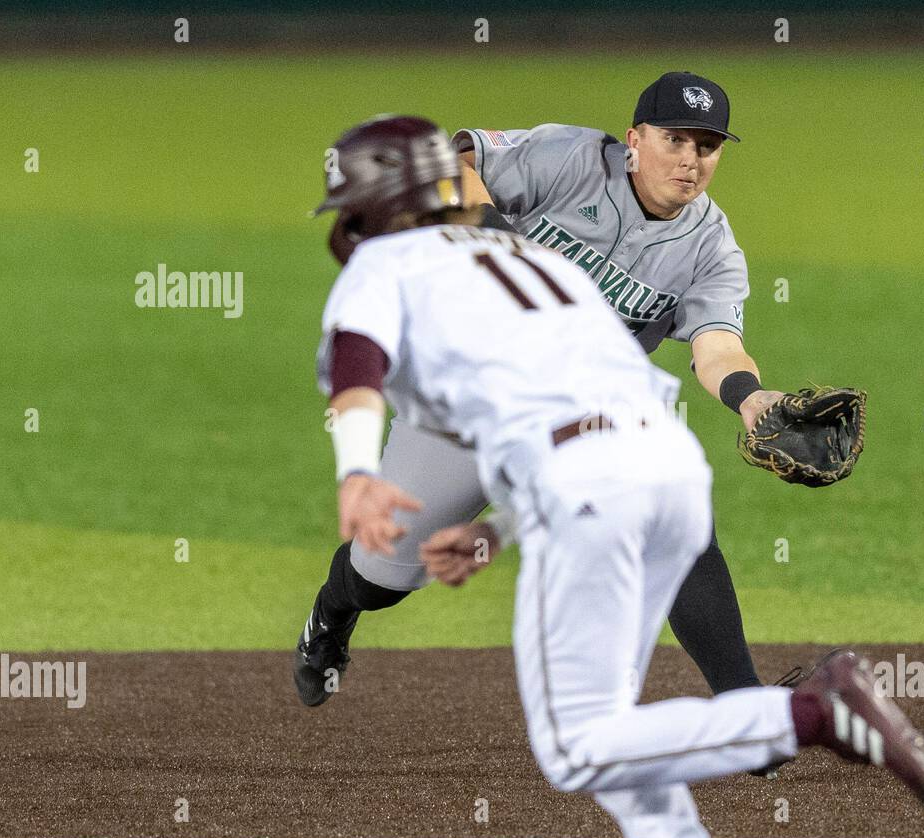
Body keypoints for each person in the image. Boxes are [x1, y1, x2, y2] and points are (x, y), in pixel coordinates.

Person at [307, 115, 924, 838]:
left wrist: (356, 471)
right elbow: (584, 415)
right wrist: (498, 529)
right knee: (614, 735)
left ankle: (808, 714)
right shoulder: (542, 266)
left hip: (586, 487)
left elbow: (358, 364)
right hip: (664, 468)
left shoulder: (395, 260)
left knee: (578, 747)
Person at [295, 72, 802, 717]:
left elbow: (718, 345)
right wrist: (480, 235)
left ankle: (744, 708)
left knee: (668, 518)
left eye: (707, 146)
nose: (689, 160)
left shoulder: (711, 248)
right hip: (460, 407)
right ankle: (333, 612)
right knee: (381, 576)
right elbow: (462, 163)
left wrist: (750, 398)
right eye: (675, 139)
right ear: (635, 139)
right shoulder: (569, 159)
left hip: (577, 406)